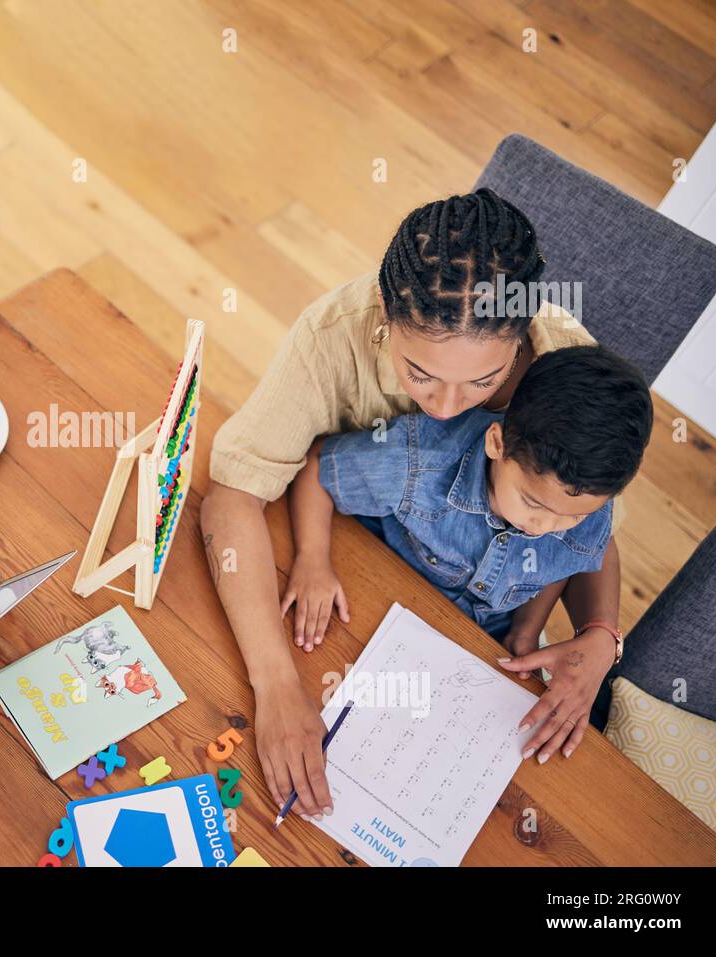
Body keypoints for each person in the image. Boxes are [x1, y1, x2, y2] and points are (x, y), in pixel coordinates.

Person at [199, 189, 621, 819]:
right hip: (356, 564)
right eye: (419, 373)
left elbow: (583, 526)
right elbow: (233, 494)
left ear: (522, 336)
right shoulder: (331, 334)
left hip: (474, 631)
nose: (447, 409)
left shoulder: (564, 369)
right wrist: (275, 682)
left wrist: (603, 635)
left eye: (483, 382)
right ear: (384, 314)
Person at [301, 346, 650, 769]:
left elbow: (561, 561)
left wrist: (529, 626)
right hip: (376, 602)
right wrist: (312, 562)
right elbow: (319, 465)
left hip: (478, 649)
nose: (543, 527)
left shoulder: (581, 509)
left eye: (572, 518)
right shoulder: (419, 464)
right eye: (531, 503)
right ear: (496, 444)